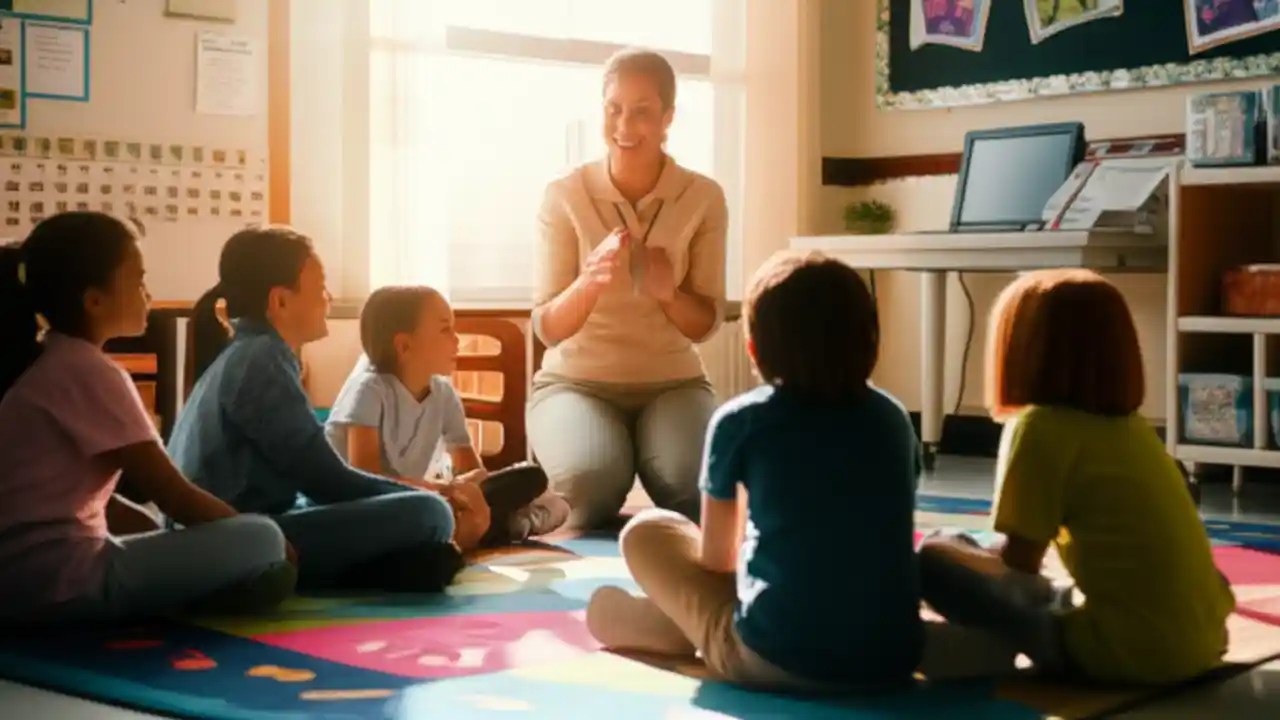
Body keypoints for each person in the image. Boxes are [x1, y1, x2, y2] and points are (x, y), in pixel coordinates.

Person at [585, 252, 923, 690]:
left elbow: (716, 561)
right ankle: (679, 622)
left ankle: (651, 623)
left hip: (772, 658)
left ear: (754, 347)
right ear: (872, 338)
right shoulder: (892, 419)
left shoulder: (741, 422)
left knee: (647, 531)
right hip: (890, 659)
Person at [918, 269, 1235, 684]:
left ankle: (979, 652)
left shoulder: (1041, 427)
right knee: (967, 546)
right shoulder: (1133, 428)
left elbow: (1020, 564)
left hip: (1124, 653)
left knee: (933, 558)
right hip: (1203, 642)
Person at [0, 212, 294, 623]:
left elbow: (90, 501)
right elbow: (174, 494)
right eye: (138, 281)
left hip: (21, 581)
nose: (148, 294)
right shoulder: (90, 371)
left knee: (173, 530)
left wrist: (157, 530)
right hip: (65, 582)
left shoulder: (51, 363)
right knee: (262, 539)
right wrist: (268, 536)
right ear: (94, 300)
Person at [168, 227, 478, 592]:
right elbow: (327, 481)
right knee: (430, 515)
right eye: (320, 289)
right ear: (280, 301)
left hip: (254, 522)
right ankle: (396, 566)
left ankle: (401, 567)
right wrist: (428, 496)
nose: (328, 299)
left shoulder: (255, 352)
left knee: (422, 514)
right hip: (236, 538)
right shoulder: (262, 359)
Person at [529, 47, 728, 530]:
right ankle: (604, 459)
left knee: (693, 490)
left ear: (668, 118)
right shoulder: (565, 195)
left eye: (642, 111)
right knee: (588, 492)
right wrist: (588, 282)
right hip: (576, 385)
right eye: (613, 108)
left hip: (674, 383)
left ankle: (651, 452)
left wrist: (668, 295)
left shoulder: (703, 197)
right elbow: (546, 328)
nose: (624, 124)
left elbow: (705, 323)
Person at [325, 285, 569, 546]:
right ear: (404, 345)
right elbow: (364, 478)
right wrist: (440, 490)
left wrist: (471, 485)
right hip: (365, 505)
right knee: (428, 512)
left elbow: (471, 469)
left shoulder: (443, 393)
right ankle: (496, 528)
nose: (457, 339)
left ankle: (495, 526)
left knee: (552, 501)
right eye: (445, 330)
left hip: (423, 496)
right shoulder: (368, 391)